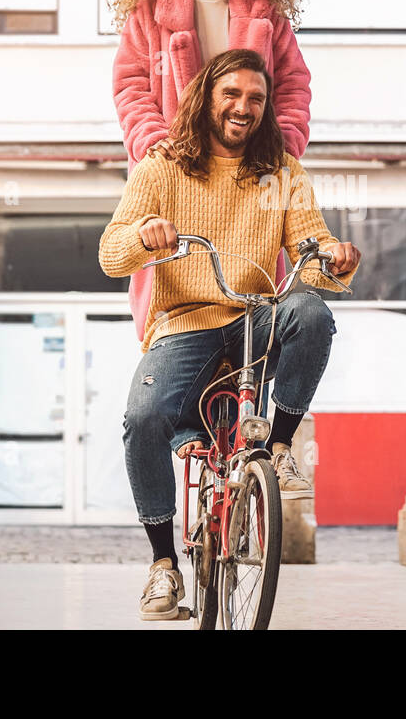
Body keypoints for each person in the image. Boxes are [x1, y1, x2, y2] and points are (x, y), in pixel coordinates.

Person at [98, 48, 361, 621]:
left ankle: (282, 446)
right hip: (183, 324)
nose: (244, 107)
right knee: (143, 418)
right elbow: (111, 254)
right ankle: (163, 565)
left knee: (312, 313)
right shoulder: (163, 165)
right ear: (207, 100)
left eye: (256, 99)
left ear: (266, 109)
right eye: (232, 95)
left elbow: (309, 251)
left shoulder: (282, 171)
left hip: (255, 313)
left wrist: (334, 260)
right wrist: (145, 236)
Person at [103, 0, 313, 346]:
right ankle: (172, 360)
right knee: (168, 266)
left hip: (247, 161)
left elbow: (294, 85)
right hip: (177, 167)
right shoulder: (149, 11)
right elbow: (130, 84)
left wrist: (281, 143)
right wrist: (159, 148)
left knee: (255, 280)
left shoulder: (265, 11)